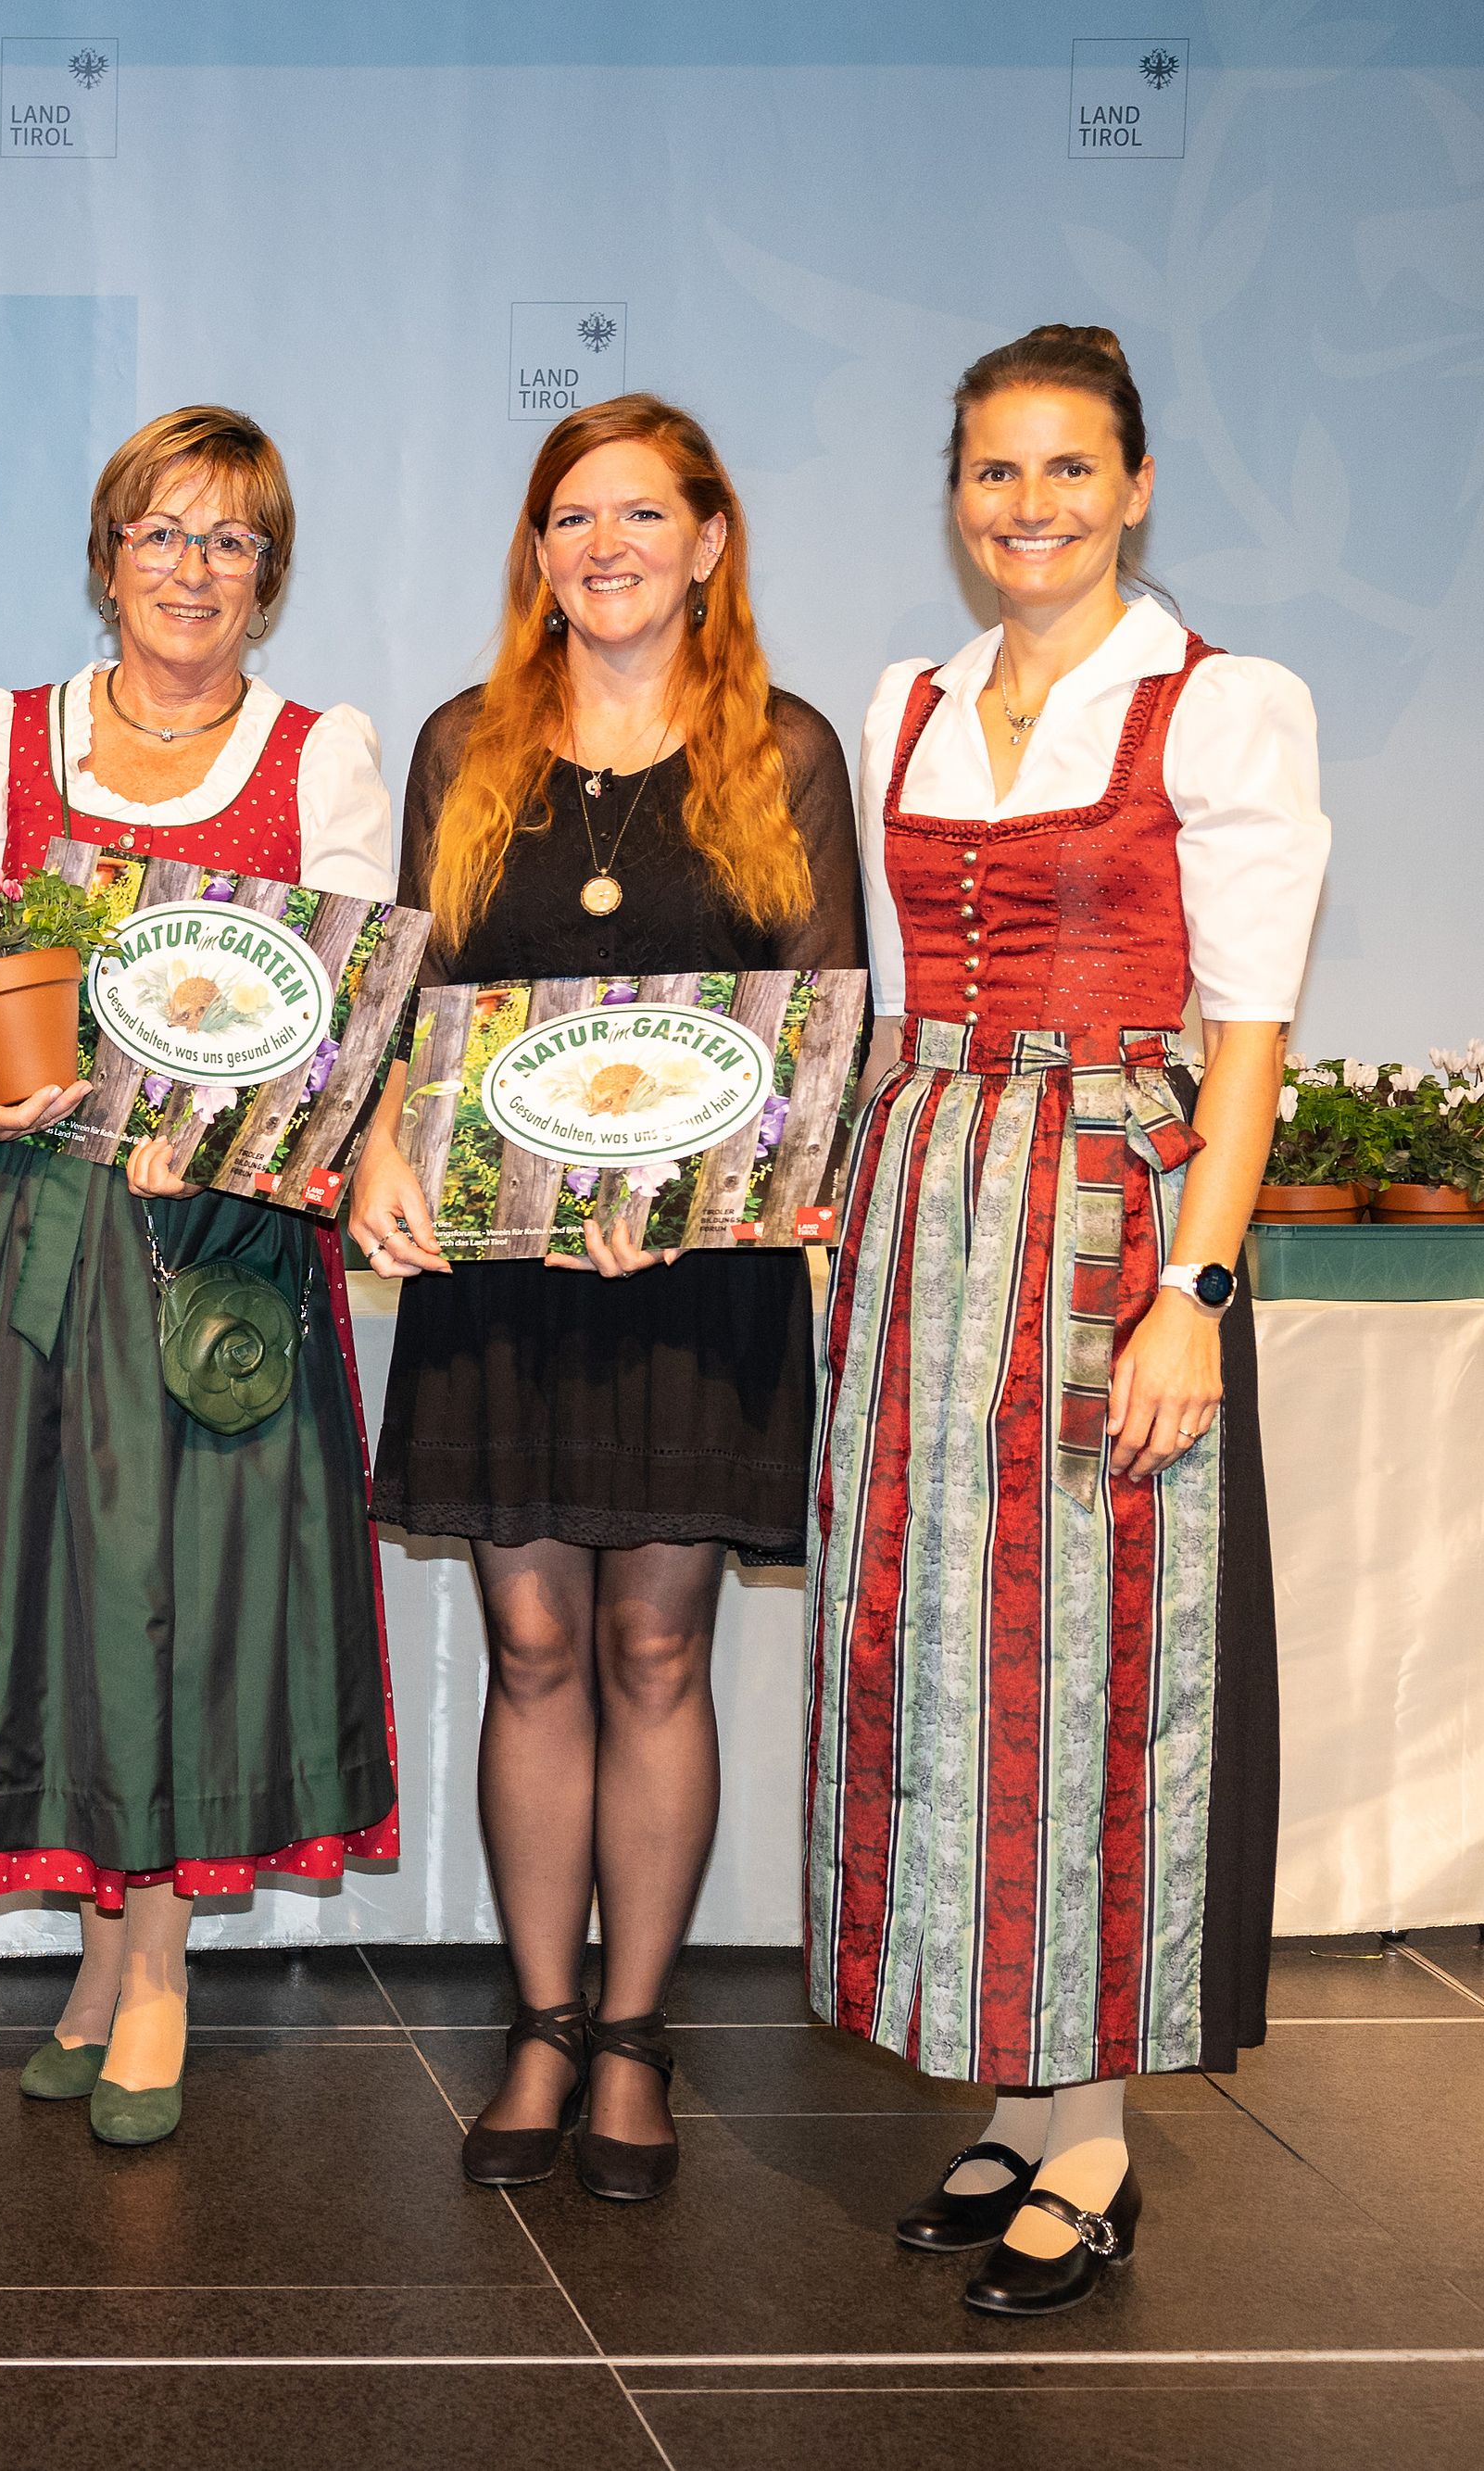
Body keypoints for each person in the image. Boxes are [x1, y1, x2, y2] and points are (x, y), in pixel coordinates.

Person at [807, 326, 1323, 2314]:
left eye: (1062, 471)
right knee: (952, 1647)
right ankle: (1017, 2095)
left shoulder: (1213, 705)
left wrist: (1193, 1289)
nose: (1023, 506)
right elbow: (886, 984)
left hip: (1108, 1211)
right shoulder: (910, 700)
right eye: (991, 472)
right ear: (956, 492)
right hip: (925, 1194)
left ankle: (1094, 2124)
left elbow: (1247, 1026)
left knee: (1097, 1654)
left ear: (1128, 489)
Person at [0, 406, 402, 2147]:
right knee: (55, 1596)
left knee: (179, 1598)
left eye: (231, 541)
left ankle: (157, 1967)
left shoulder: (327, 756)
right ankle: (98, 1965)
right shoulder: (6, 732)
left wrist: (224, 1124)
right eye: (163, 533)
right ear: (107, 559)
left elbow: (348, 1020)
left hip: (207, 1246)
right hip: (20, 1233)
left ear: (271, 577)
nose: (193, 569)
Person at [343, 395, 863, 2203]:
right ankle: (537, 2021)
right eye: (572, 517)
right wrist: (377, 1157)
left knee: (653, 1647)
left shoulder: (780, 751)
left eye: (640, 514)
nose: (604, 546)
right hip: (502, 1276)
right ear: (535, 549)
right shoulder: (460, 747)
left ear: (706, 541)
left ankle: (632, 2038)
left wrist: (700, 1192)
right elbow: (413, 1012)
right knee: (531, 1648)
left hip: (690, 1278)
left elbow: (814, 1034)